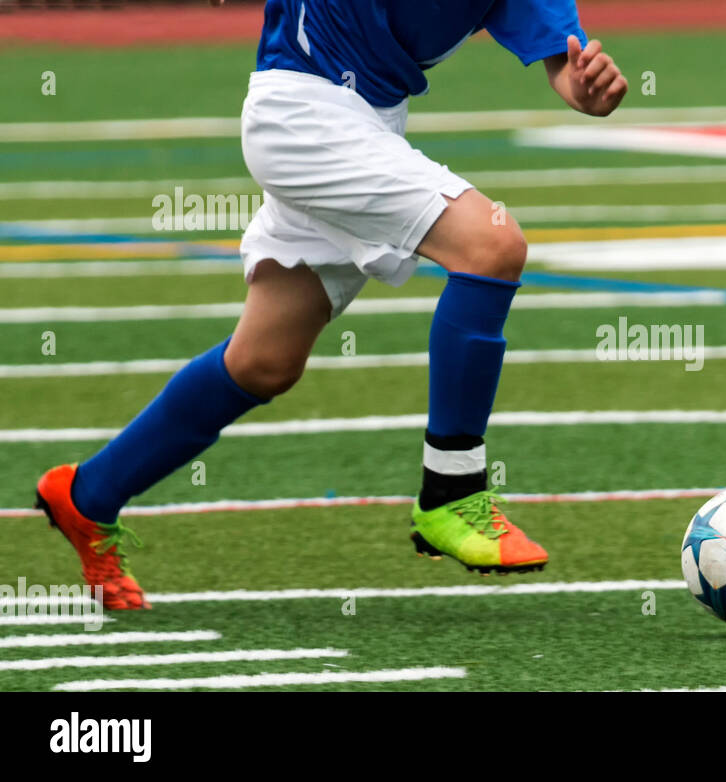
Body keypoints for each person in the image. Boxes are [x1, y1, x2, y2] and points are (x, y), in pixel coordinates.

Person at [34, 0, 629, 609]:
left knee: (264, 362)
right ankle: (452, 491)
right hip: (302, 115)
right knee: (492, 245)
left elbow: (563, 60)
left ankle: (86, 496)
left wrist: (584, 87)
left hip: (368, 123)